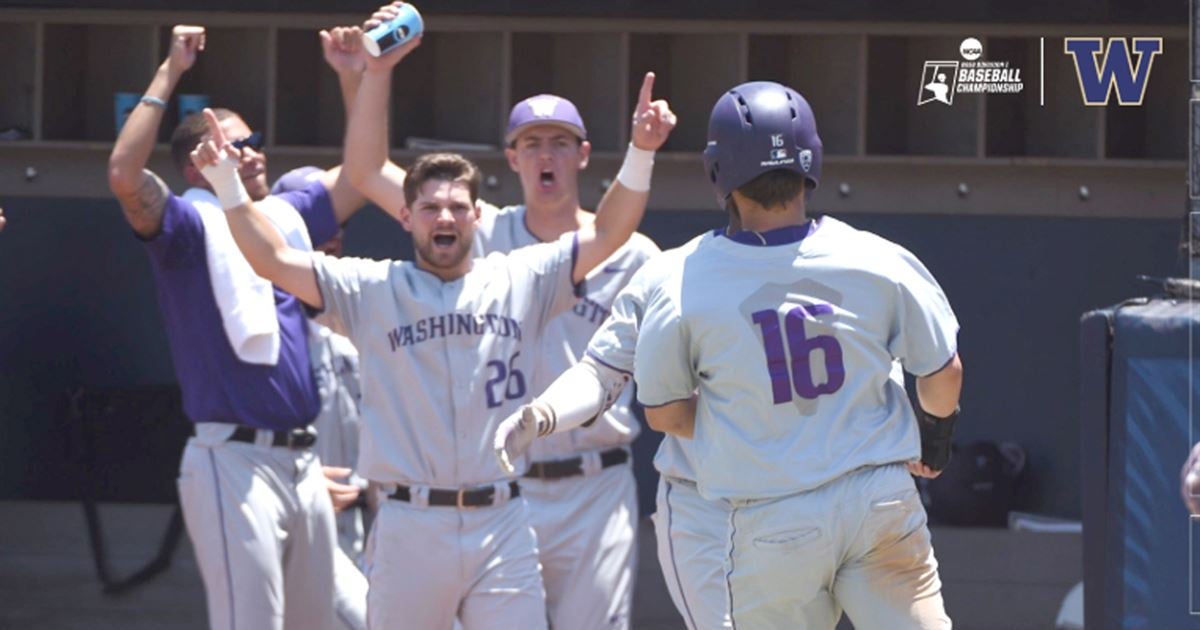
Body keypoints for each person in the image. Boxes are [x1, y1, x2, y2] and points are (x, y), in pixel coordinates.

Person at [189, 3, 676, 627]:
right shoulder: (371, 284)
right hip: (413, 515)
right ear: (405, 217)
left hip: (522, 502)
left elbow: (610, 231)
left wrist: (641, 151)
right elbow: (275, 256)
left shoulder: (521, 271)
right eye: (429, 208)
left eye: (456, 208)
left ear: (478, 217)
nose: (444, 218)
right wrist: (229, 187)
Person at [496, 80, 963, 629]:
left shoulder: (678, 276)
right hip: (878, 503)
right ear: (811, 159)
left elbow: (657, 408)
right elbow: (943, 372)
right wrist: (935, 441)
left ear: (718, 171)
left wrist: (545, 414)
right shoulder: (879, 258)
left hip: (773, 513)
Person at [105, 24, 372, 630]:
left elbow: (361, 175)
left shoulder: (285, 212)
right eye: (234, 145)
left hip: (305, 461)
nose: (252, 152)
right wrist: (171, 71)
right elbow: (124, 174)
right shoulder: (186, 226)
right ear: (199, 169)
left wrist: (354, 79)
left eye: (253, 140)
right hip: (233, 459)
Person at [470, 88, 662, 630]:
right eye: (531, 144)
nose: (545, 156)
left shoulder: (634, 253)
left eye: (560, 142)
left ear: (583, 154)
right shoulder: (482, 238)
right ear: (511, 159)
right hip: (507, 483)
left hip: (595, 485)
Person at [272, 166, 370, 630]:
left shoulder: (360, 314)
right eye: (315, 229)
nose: (330, 238)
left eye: (337, 228)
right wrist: (303, 484)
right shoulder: (263, 323)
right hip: (295, 522)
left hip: (360, 526)